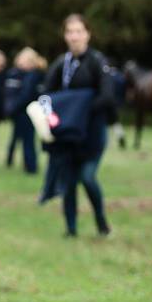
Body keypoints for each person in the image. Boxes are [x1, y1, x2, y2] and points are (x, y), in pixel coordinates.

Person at [41, 14, 115, 237]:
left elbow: (108, 96)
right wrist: (51, 116)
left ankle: (101, 221)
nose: (74, 36)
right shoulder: (61, 64)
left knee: (88, 177)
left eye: (79, 31)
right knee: (69, 182)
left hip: (92, 134)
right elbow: (45, 95)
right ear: (65, 36)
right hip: (69, 136)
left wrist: (78, 109)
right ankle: (71, 229)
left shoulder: (97, 62)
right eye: (70, 32)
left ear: (88, 34)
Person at [4, 47, 43, 173]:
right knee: (21, 138)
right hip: (22, 111)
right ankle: (24, 164)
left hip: (27, 112)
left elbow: (26, 95)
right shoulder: (22, 74)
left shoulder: (32, 75)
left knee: (28, 140)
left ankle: (31, 166)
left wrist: (14, 107)